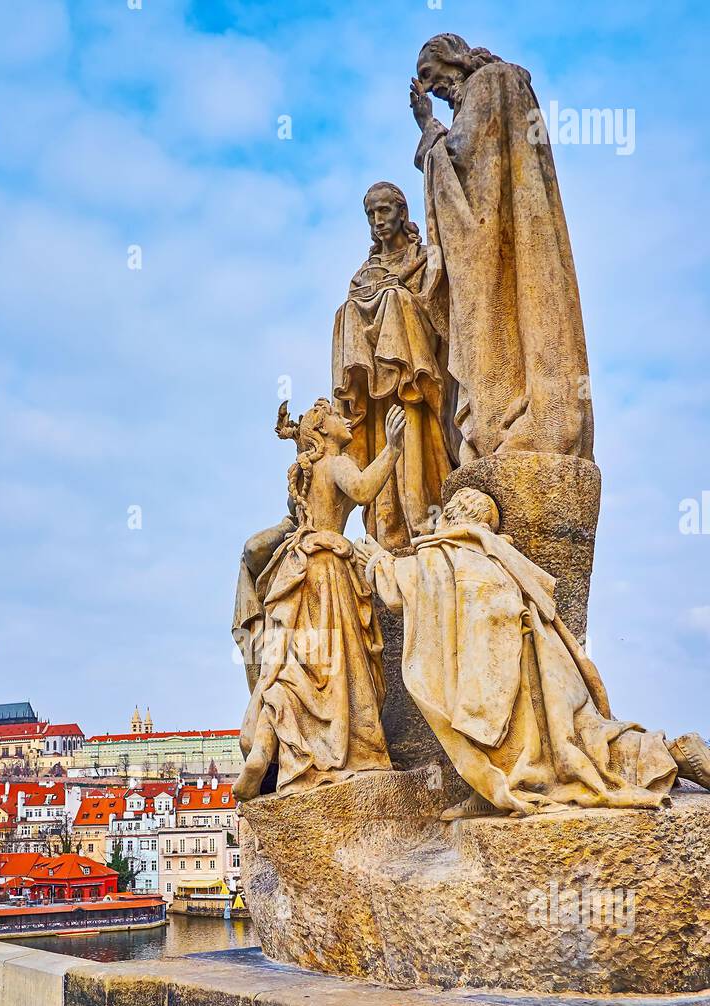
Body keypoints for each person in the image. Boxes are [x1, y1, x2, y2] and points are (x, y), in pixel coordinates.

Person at [361, 487, 710, 816]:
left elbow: (395, 595)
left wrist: (376, 560)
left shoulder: (442, 555)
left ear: (450, 515)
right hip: (539, 669)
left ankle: (673, 752)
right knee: (580, 745)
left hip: (504, 673)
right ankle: (668, 755)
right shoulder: (497, 557)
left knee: (564, 754)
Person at [410, 34, 594, 466]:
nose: (427, 87)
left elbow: (461, 161)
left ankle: (504, 425)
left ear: (450, 59)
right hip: (499, 237)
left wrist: (427, 127)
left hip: (493, 246)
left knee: (495, 330)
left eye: (426, 73)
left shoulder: (488, 83)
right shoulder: (500, 85)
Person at [234, 400, 405, 801]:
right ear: (324, 433)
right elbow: (363, 491)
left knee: (292, 666)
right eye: (335, 416)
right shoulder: (336, 461)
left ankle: (264, 748)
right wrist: (393, 448)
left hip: (298, 569)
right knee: (340, 661)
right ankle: (345, 748)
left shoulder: (307, 475)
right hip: (329, 568)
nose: (346, 419)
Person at [332, 182, 454, 552]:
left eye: (384, 211)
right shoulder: (363, 274)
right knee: (347, 310)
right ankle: (388, 529)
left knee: (395, 298)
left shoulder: (424, 259)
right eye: (370, 214)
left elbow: (442, 312)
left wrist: (395, 298)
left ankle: (424, 520)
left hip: (414, 382)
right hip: (374, 395)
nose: (377, 221)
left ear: (402, 212)